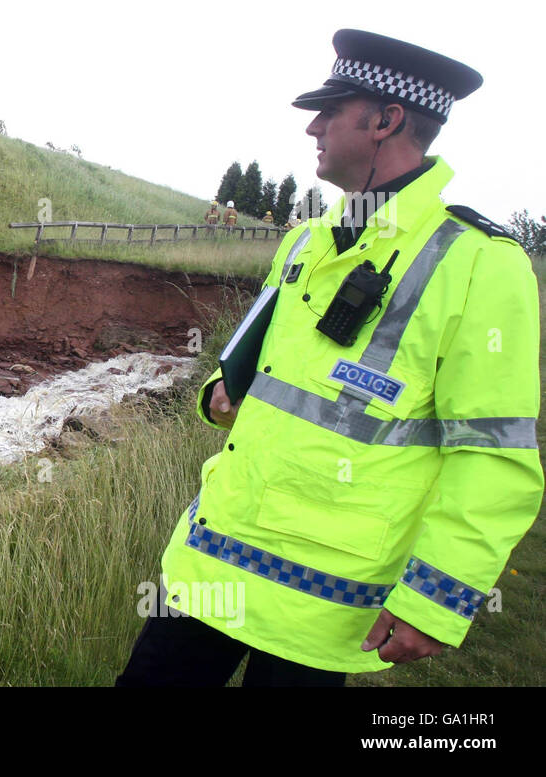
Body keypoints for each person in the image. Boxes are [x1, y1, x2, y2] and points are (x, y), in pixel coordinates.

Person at [117, 29, 542, 686]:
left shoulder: (481, 263)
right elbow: (250, 368)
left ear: (385, 119)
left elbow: (491, 453)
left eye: (331, 108)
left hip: (321, 607)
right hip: (210, 566)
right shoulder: (305, 242)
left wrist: (436, 598)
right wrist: (220, 394)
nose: (312, 125)